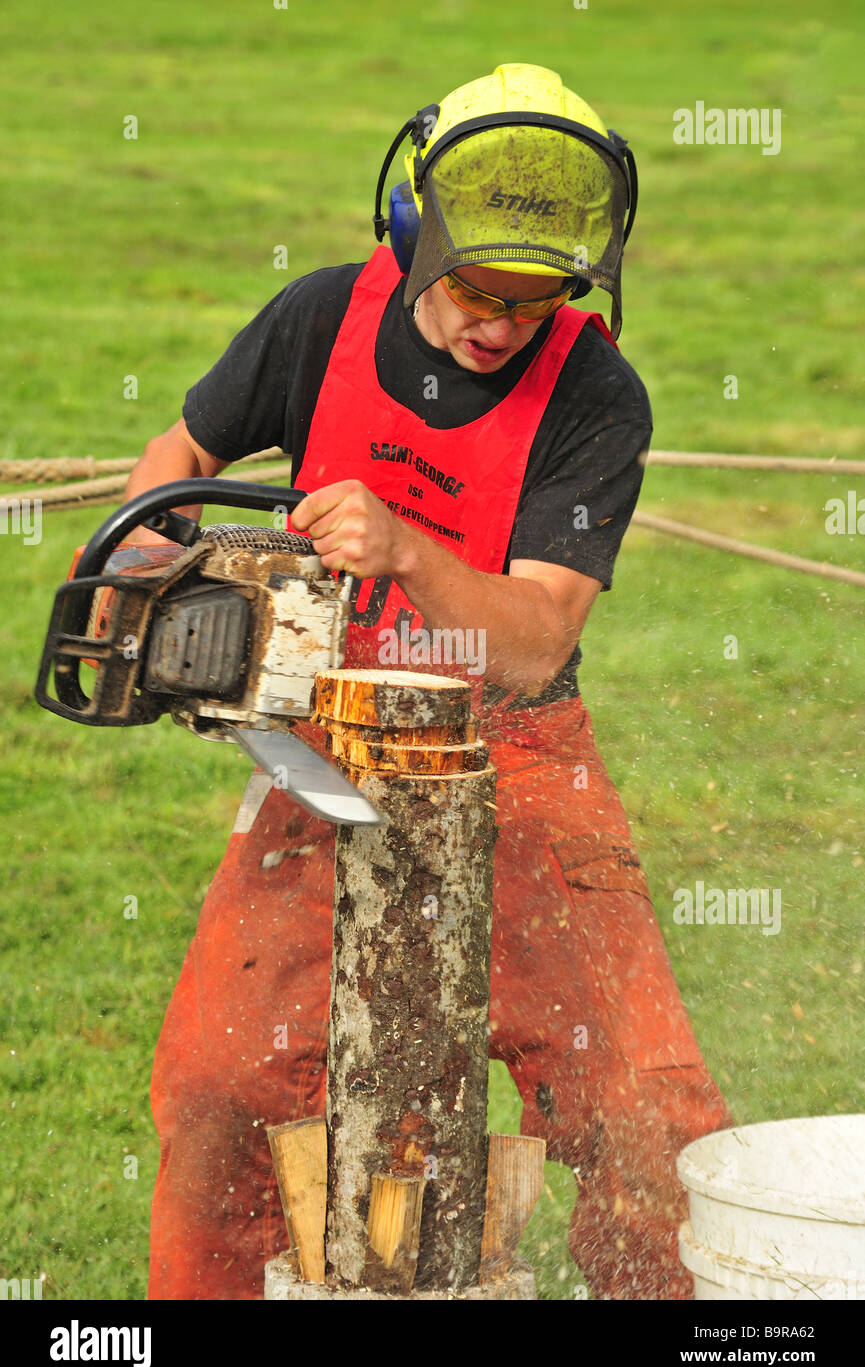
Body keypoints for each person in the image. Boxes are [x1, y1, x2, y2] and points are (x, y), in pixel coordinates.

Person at [125, 63, 732, 1300]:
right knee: (220, 1082)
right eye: (474, 289)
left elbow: (535, 638)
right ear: (412, 231)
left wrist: (404, 544)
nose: (501, 325)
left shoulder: (597, 396)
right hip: (331, 740)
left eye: (536, 295)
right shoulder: (318, 320)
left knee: (642, 1109)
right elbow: (177, 460)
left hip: (517, 748)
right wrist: (167, 581)